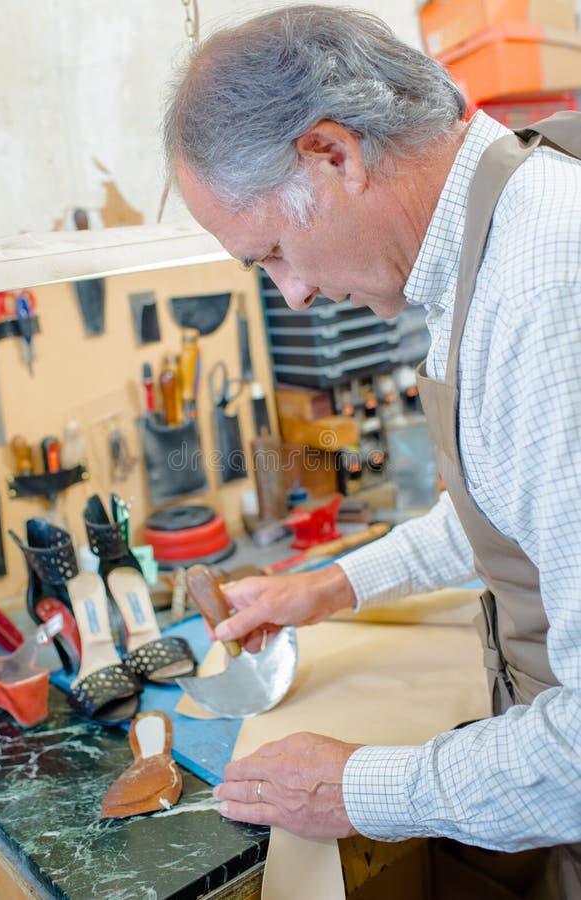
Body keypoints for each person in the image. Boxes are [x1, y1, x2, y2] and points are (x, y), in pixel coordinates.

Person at [163, 4, 581, 894]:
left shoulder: (542, 292)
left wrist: (358, 787)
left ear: (331, 153)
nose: (296, 296)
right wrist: (328, 585)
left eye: (273, 251)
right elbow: (508, 499)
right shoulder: (502, 222)